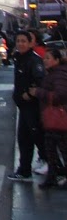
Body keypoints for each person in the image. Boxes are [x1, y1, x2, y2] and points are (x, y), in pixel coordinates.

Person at [10, 29, 47, 181]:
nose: (20, 44)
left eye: (23, 41)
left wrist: (30, 93)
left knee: (37, 135)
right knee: (24, 138)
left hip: (32, 106)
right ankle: (24, 170)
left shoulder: (34, 60)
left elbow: (41, 81)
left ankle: (53, 165)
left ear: (30, 43)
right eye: (18, 41)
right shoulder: (20, 58)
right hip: (23, 106)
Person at [39, 41, 67, 188]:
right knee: (51, 148)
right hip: (52, 118)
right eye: (44, 58)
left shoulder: (59, 74)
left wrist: (39, 92)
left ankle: (54, 175)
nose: (45, 61)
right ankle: (52, 176)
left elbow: (60, 95)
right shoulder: (52, 73)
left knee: (62, 148)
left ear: (56, 60)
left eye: (48, 58)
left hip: (58, 117)